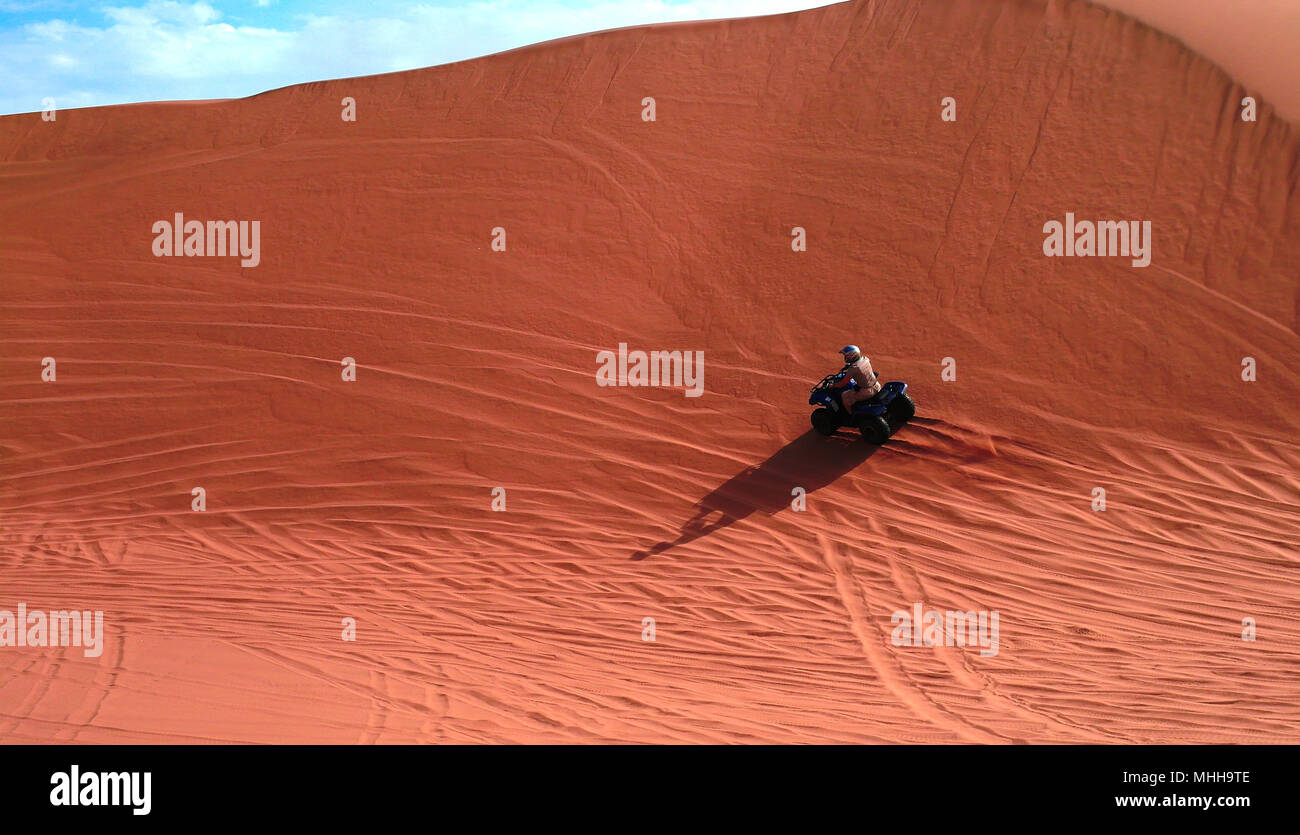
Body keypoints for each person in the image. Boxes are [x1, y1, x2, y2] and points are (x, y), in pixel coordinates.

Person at [834, 345, 882, 411]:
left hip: (867, 392)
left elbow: (844, 382)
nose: (845, 357)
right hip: (877, 386)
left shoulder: (853, 368)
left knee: (844, 396)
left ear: (852, 356)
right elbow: (862, 368)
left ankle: (850, 417)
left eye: (846, 355)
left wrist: (834, 385)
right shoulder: (865, 359)